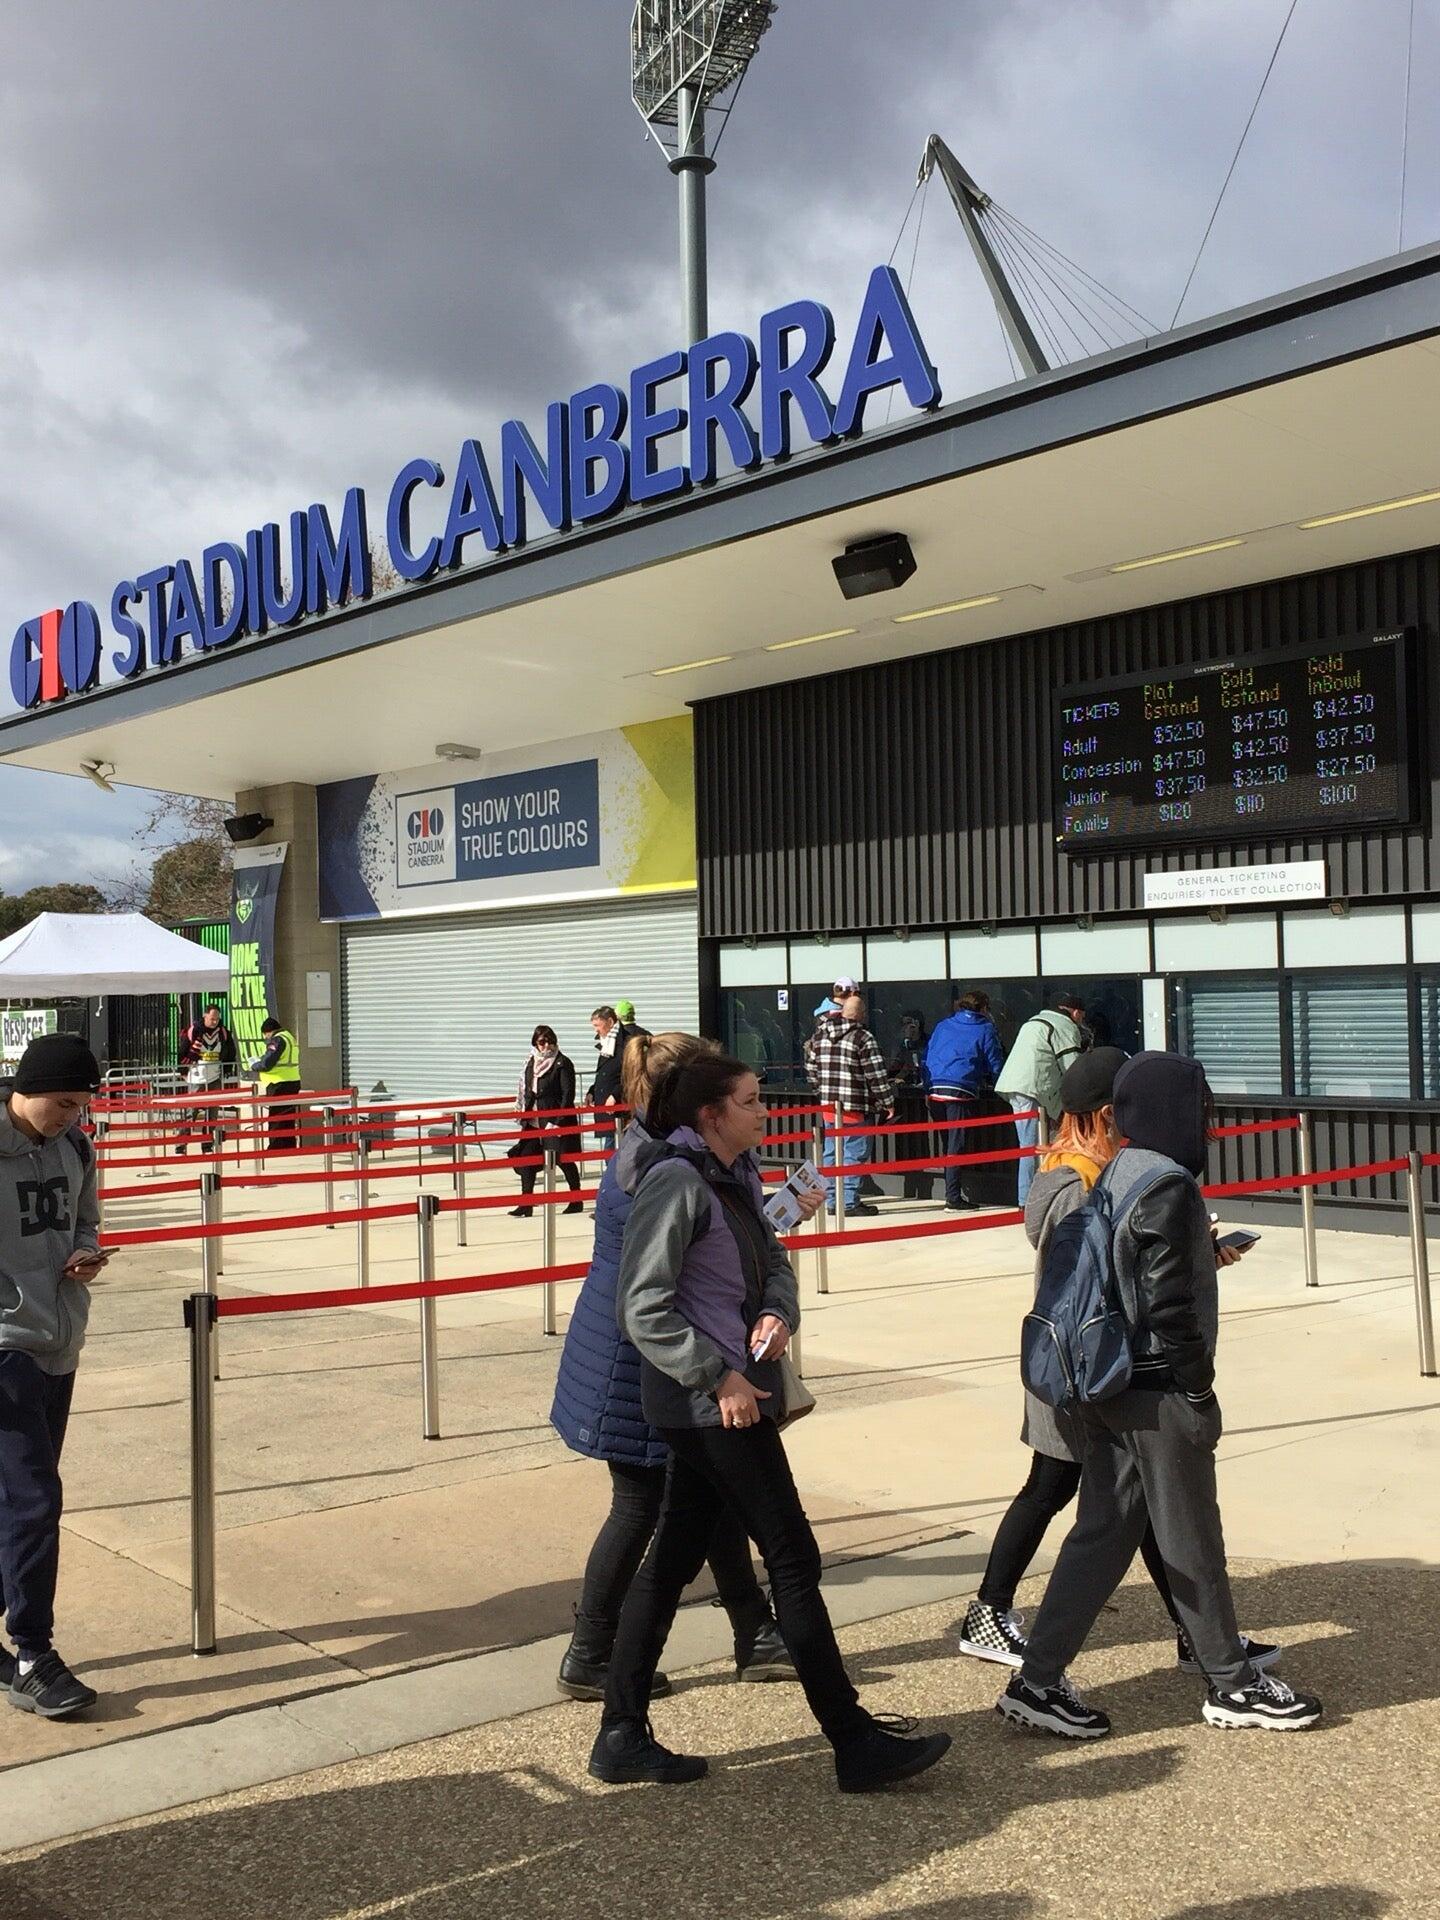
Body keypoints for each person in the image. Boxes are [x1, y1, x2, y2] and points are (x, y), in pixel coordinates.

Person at [589, 1050, 951, 1791]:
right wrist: (716, 1371)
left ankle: (621, 1731)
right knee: (792, 1557)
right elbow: (642, 1306)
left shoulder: (736, 1177)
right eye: (752, 1101)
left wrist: (777, 1312)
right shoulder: (675, 1183)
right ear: (711, 1115)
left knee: (670, 1563)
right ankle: (851, 1739)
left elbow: (772, 1262)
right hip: (711, 1403)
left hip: (733, 1390)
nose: (765, 1111)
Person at [998, 1051, 1323, 1739]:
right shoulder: (1169, 1183)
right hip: (1157, 1391)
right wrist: (1196, 1389)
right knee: (1194, 1534)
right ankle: (1233, 1687)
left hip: (1108, 1383)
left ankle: (1038, 1679)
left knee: (1101, 1534)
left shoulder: (1116, 1170)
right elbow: (1169, 1307)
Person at [551, 1031, 798, 1702]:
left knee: (708, 1493)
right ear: (696, 1098)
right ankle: (592, 1651)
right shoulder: (660, 1170)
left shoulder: (691, 1154)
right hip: (639, 1360)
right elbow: (655, 1298)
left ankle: (755, 1632)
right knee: (639, 1504)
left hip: (677, 1354)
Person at [0, 1033, 107, 1720]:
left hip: (57, 1342)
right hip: (4, 1346)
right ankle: (34, 1652)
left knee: (16, 1503)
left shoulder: (77, 1149)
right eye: (61, 1103)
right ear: (27, 1087)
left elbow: (86, 1220)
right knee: (35, 1501)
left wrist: (87, 1253)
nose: (70, 1115)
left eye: (80, 1106)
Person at [994, 990, 1089, 1208]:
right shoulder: (1064, 1026)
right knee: (1032, 1146)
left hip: (1015, 1086)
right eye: (1081, 1016)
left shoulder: (1034, 1021)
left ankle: (1030, 1197)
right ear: (1075, 1013)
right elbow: (1072, 1067)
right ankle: (1027, 1201)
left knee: (1029, 1144)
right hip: (1034, 1089)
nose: (1081, 1021)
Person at [804, 992, 894, 1219]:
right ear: (861, 1015)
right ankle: (849, 1201)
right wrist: (887, 1102)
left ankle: (832, 1199)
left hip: (828, 1106)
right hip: (855, 1105)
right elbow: (876, 1075)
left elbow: (811, 1070)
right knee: (854, 1152)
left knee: (831, 1152)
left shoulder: (819, 1035)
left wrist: (821, 1093)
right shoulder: (863, 1037)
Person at [925, 990, 1005, 1211]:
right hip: (960, 1091)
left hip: (935, 1089)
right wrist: (1002, 1084)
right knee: (956, 1147)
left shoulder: (943, 1025)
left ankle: (951, 1192)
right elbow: (995, 1062)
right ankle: (952, 1197)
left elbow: (927, 1056)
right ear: (984, 1008)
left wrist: (925, 1087)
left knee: (947, 1144)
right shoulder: (985, 1028)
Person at [508, 1026, 583, 1219]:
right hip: (533, 1120)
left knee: (563, 1160)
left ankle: (576, 1199)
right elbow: (527, 1090)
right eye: (542, 1042)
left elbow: (568, 1094)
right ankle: (526, 1203)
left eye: (550, 1041)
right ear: (535, 1043)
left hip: (554, 1120)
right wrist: (523, 1110)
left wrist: (558, 1121)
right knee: (526, 1159)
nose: (546, 1046)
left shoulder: (562, 1063)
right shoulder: (530, 1062)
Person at [175, 1004, 236, 1156]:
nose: (214, 1021)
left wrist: (227, 1069)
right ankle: (181, 1145)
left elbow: (231, 1051)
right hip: (197, 1077)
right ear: (205, 1016)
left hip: (215, 1077)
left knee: (212, 1115)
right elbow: (182, 1050)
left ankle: (207, 1144)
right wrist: (182, 1070)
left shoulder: (223, 1032)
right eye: (212, 1018)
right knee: (191, 1113)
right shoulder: (194, 1031)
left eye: (217, 1019)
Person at [885, 1011, 932, 1201]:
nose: (907, 1028)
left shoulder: (928, 1041)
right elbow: (895, 1065)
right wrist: (905, 1042)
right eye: (904, 1024)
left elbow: (924, 1062)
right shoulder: (901, 1043)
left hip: (926, 1094)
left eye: (911, 1024)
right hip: (905, 1098)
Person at [246, 1017, 302, 1152]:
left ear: (268, 1032)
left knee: (276, 1119)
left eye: (265, 1035)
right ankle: (289, 1147)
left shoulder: (277, 1039)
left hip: (279, 1083)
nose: (266, 1038)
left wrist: (254, 1065)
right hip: (292, 1081)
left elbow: (267, 1064)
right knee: (288, 1118)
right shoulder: (289, 1037)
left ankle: (275, 1148)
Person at [587, 1005, 635, 1152]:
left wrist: (615, 1094)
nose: (596, 1030)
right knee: (609, 1147)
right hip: (605, 1103)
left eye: (597, 1025)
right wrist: (592, 1091)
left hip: (618, 1105)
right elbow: (603, 1072)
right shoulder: (607, 1043)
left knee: (615, 1148)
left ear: (609, 1022)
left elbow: (628, 1074)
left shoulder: (625, 1042)